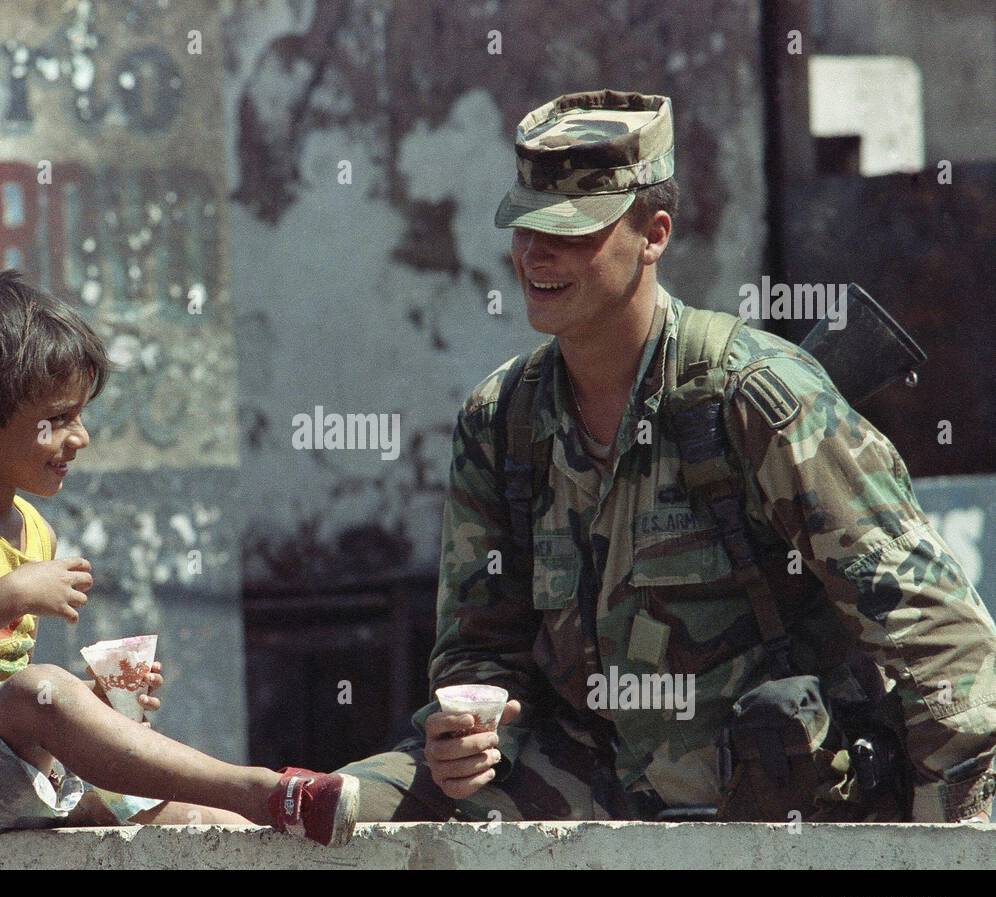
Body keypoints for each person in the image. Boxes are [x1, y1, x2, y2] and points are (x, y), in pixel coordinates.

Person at [338, 89, 996, 824]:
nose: (537, 254)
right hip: (590, 776)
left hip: (776, 791)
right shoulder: (502, 420)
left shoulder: (755, 398)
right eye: (524, 226)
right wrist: (469, 733)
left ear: (654, 234)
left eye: (573, 232)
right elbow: (479, 644)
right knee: (340, 816)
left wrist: (951, 848)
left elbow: (937, 634)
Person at [0, 269, 358, 844]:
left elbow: (5, 694)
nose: (80, 437)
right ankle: (260, 788)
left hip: (19, 772)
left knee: (212, 828)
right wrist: (12, 598)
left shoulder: (34, 531)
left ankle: (258, 807)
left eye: (80, 415)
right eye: (58, 419)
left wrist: (89, 707)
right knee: (37, 688)